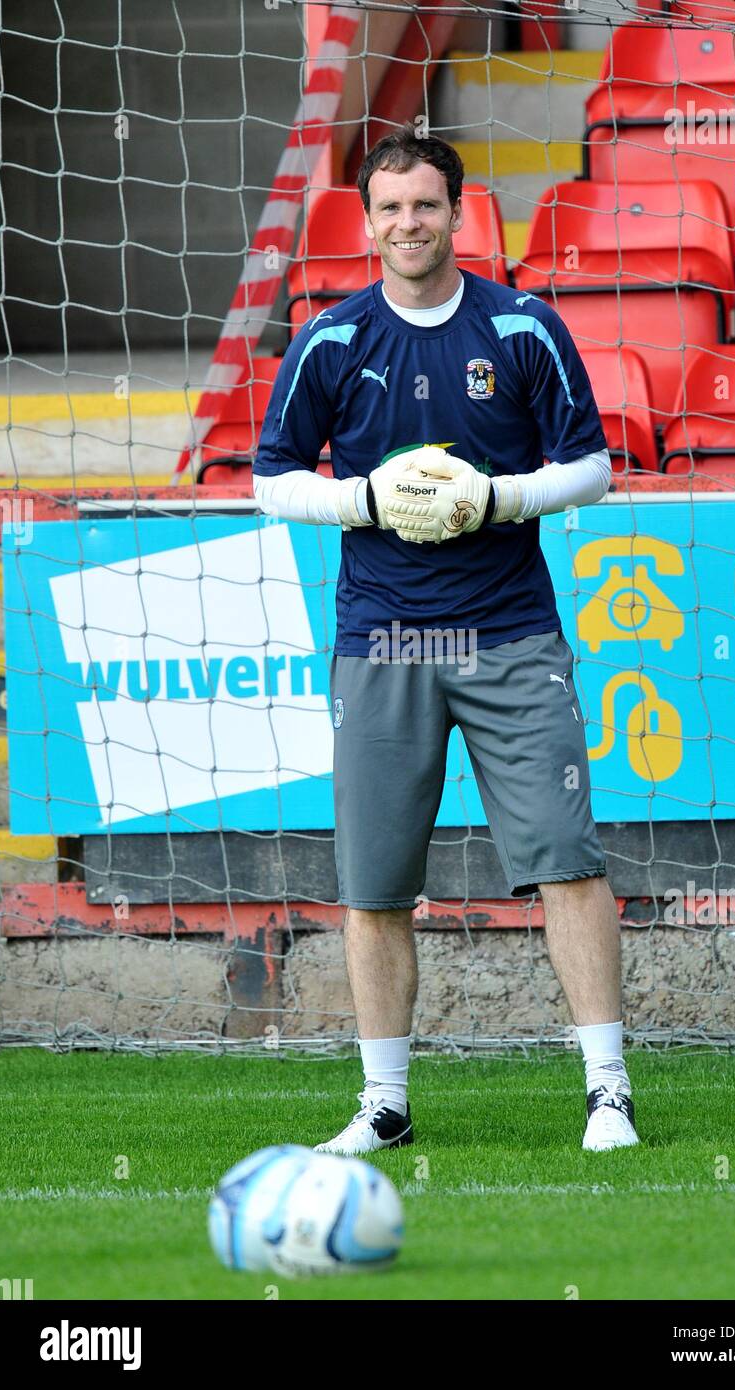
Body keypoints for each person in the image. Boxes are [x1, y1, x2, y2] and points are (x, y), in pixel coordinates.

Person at [252, 123, 639, 1154]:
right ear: (367, 222)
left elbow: (593, 468)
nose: (407, 223)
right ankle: (385, 1103)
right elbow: (269, 477)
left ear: (456, 215)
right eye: (388, 208)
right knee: (375, 883)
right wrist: (365, 499)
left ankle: (607, 1089)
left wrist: (494, 498)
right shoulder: (330, 340)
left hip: (509, 636)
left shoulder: (522, 328)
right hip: (381, 640)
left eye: (425, 205)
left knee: (565, 860)